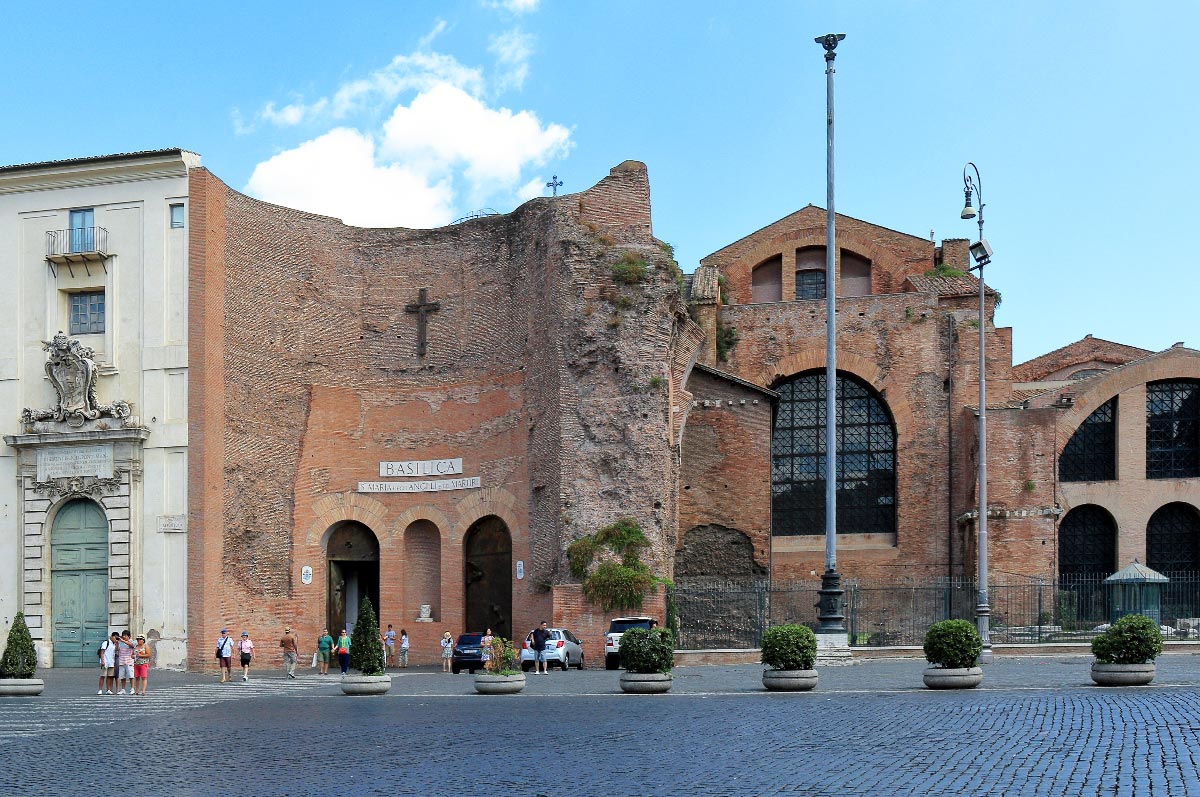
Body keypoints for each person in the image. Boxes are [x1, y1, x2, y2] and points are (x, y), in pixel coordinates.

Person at [117, 630, 137, 694]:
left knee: (131, 676)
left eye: (125, 635)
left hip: (129, 661)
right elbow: (117, 650)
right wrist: (117, 643)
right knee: (122, 676)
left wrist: (123, 641)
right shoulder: (120, 643)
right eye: (123, 635)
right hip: (121, 661)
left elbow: (132, 645)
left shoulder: (132, 641)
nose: (123, 636)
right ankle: (123, 689)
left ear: (129, 636)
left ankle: (132, 689)